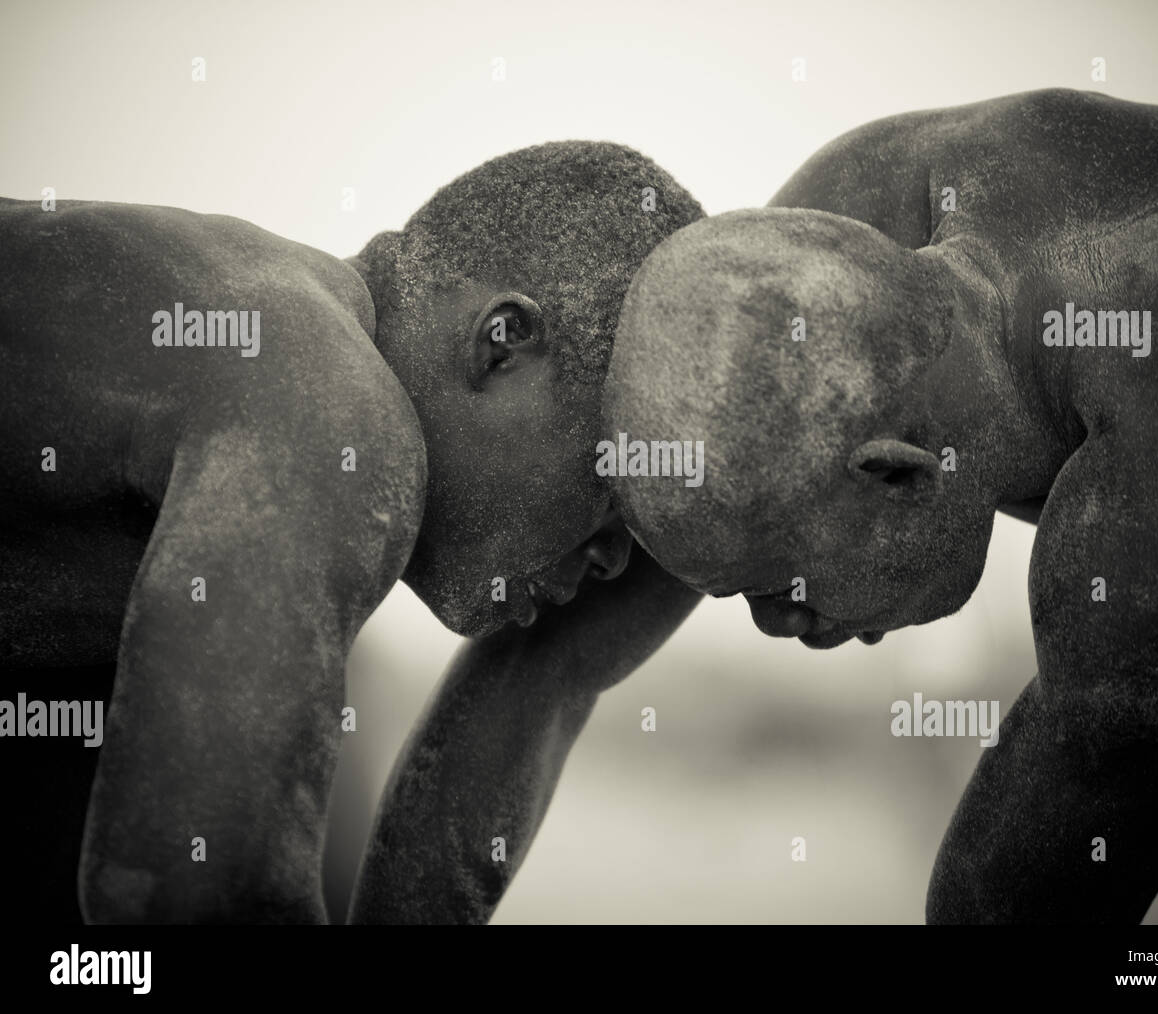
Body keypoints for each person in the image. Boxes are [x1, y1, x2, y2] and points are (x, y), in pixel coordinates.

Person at [603, 88, 1158, 922]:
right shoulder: (893, 185)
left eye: (774, 587)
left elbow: (1003, 909)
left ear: (897, 476)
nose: (780, 627)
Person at [0, 140, 703, 923]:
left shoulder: (160, 520)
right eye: (612, 485)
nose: (614, 559)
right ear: (501, 346)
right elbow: (201, 902)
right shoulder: (330, 406)